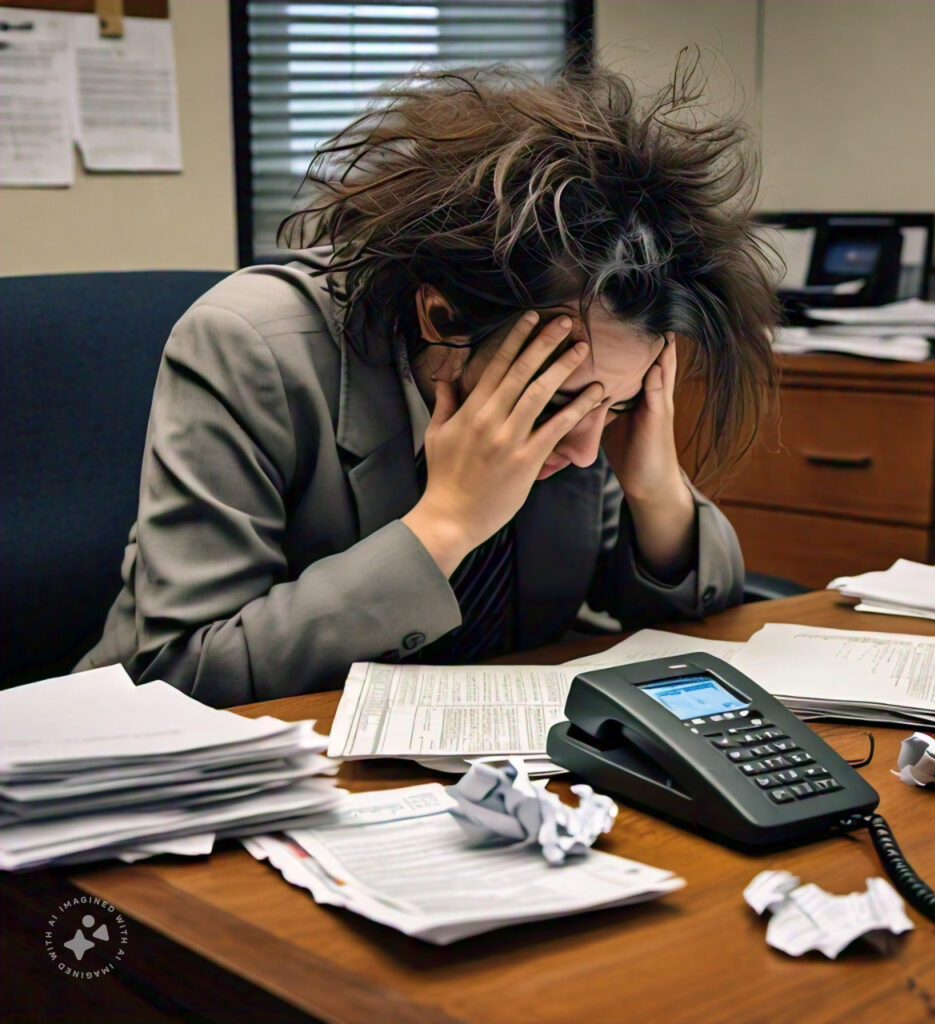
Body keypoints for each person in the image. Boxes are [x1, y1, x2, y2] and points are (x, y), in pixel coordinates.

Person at [78, 60, 777, 707]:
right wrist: (444, 526)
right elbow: (179, 676)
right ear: (442, 315)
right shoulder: (250, 347)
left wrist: (655, 488)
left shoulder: (587, 406)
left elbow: (690, 633)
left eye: (617, 403)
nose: (589, 450)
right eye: (561, 400)